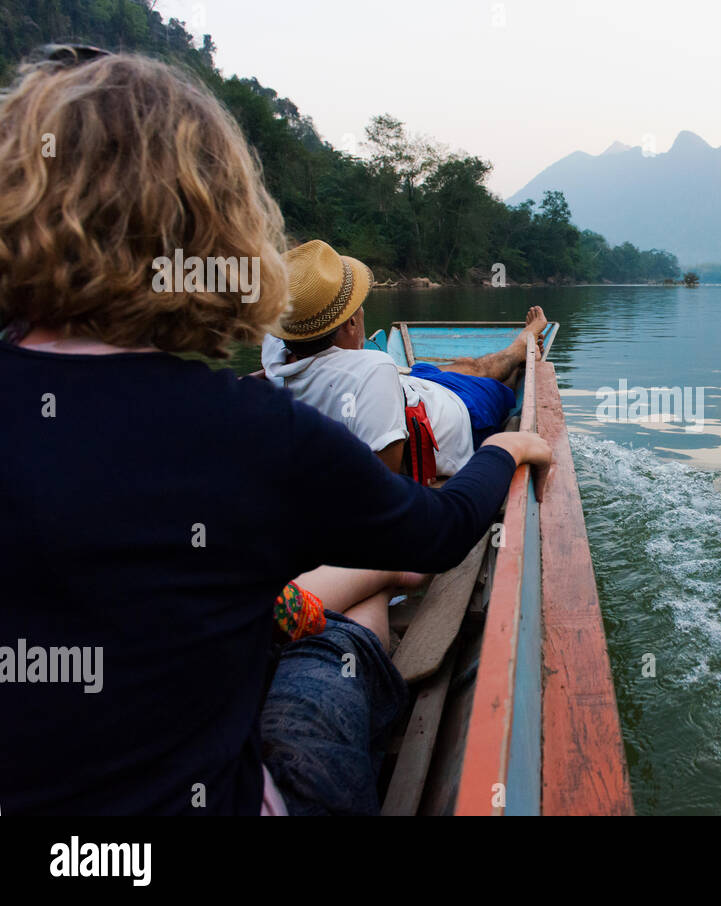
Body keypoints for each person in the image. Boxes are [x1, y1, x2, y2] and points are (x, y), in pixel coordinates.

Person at [0, 48, 552, 815]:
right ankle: (350, 632)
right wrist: (502, 450)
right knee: (347, 631)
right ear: (214, 236)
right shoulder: (243, 429)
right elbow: (437, 534)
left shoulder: (264, 396)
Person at [261, 240, 547, 479]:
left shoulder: (277, 352)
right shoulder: (372, 371)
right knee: (494, 381)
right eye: (358, 310)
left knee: (464, 368)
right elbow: (384, 484)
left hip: (411, 384)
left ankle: (516, 352)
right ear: (349, 325)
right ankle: (519, 353)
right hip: (458, 418)